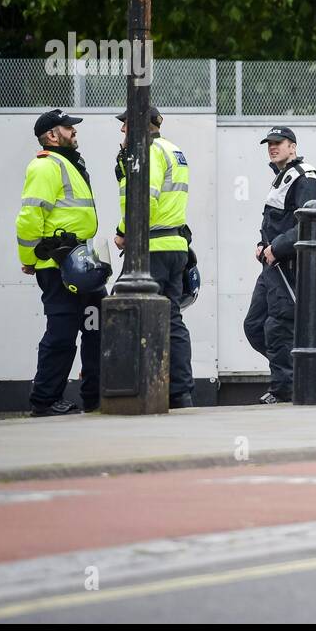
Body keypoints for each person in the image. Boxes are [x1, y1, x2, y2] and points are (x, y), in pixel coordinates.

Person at [15, 109, 103, 416]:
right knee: (62, 332)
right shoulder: (45, 166)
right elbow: (29, 217)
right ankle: (45, 399)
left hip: (81, 263)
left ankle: (94, 394)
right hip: (59, 267)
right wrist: (30, 259)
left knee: (97, 326)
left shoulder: (69, 163)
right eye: (68, 128)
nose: (73, 131)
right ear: (52, 135)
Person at [114, 105, 194, 409]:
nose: (123, 131)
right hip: (175, 246)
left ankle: (130, 389)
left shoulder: (149, 152)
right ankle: (181, 392)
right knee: (172, 319)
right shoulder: (173, 150)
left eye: (125, 125)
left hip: (151, 248)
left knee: (125, 313)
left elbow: (144, 198)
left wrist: (123, 231)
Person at [243, 126, 316, 404]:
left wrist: (277, 248)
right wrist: (263, 244)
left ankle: (284, 389)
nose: (273, 147)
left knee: (278, 327)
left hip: (288, 267)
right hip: (271, 267)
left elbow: (309, 221)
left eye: (279, 143)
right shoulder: (282, 177)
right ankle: (295, 369)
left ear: (293, 147)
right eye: (270, 144)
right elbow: (276, 222)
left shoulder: (305, 176)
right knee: (254, 326)